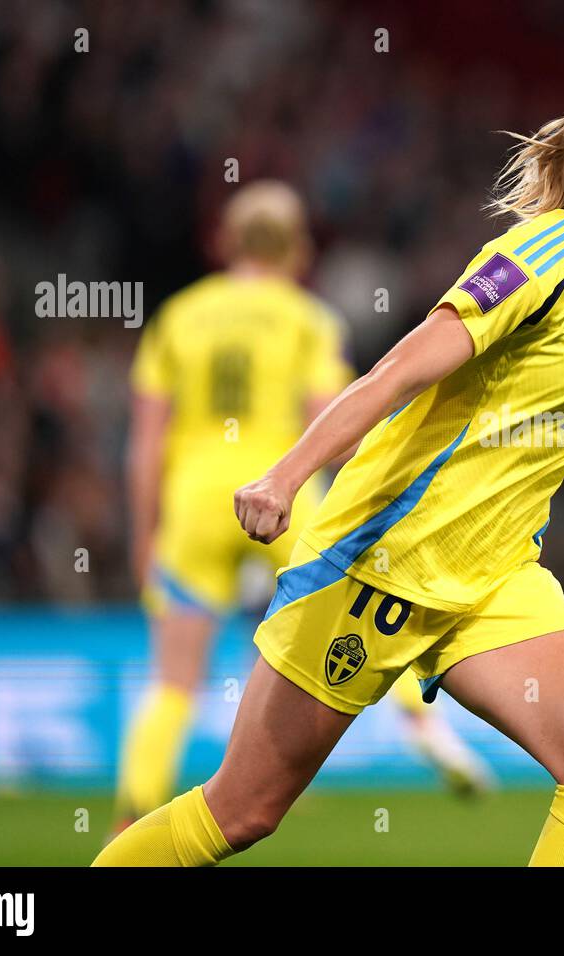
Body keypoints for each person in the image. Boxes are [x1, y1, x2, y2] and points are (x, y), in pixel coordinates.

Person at [95, 83, 564, 868]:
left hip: (496, 577)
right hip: (379, 561)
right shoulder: (545, 256)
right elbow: (399, 369)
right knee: (243, 813)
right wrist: (285, 476)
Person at [116, 181, 491, 836]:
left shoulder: (178, 317)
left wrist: (143, 535)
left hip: (196, 501)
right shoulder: (308, 319)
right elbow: (336, 418)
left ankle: (130, 822)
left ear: (227, 242)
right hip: (282, 491)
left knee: (173, 681)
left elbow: (144, 445)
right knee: (369, 601)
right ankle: (420, 720)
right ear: (297, 249)